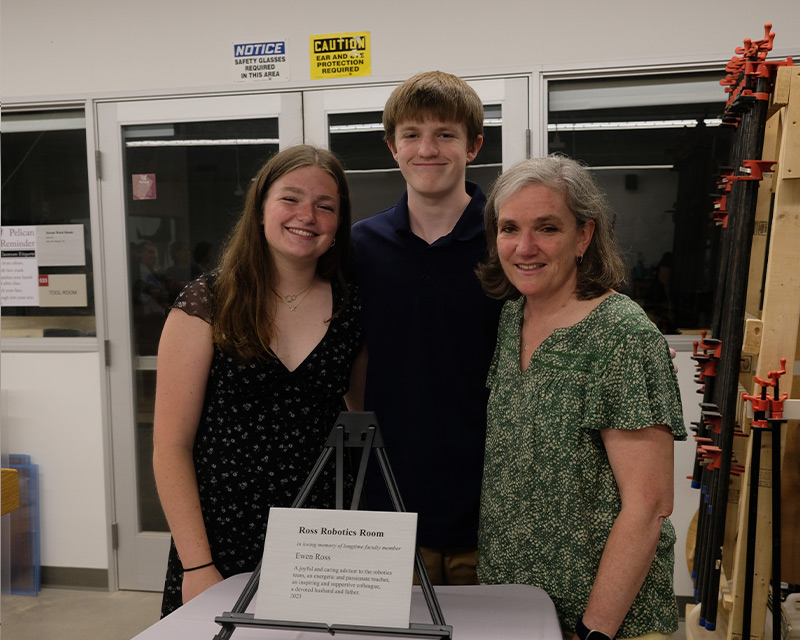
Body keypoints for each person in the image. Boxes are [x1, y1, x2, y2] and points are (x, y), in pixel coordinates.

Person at [475, 155, 686, 640]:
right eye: (509, 228)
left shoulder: (622, 336)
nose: (524, 247)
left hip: (604, 623)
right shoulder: (513, 319)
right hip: (516, 607)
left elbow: (648, 504)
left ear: (584, 237)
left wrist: (595, 629)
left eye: (547, 228)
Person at [153, 145, 365, 617]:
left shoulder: (352, 309)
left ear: (338, 222)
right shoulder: (208, 301)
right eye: (290, 198)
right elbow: (170, 446)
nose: (306, 215)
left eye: (325, 205)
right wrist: (196, 564)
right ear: (261, 207)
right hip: (220, 539)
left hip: (320, 543)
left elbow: (364, 417)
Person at [350, 71, 502, 585]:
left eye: (446, 134)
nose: (427, 149)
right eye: (412, 134)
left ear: (474, 145)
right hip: (388, 498)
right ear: (392, 146)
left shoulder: (508, 244)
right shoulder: (359, 247)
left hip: (493, 499)